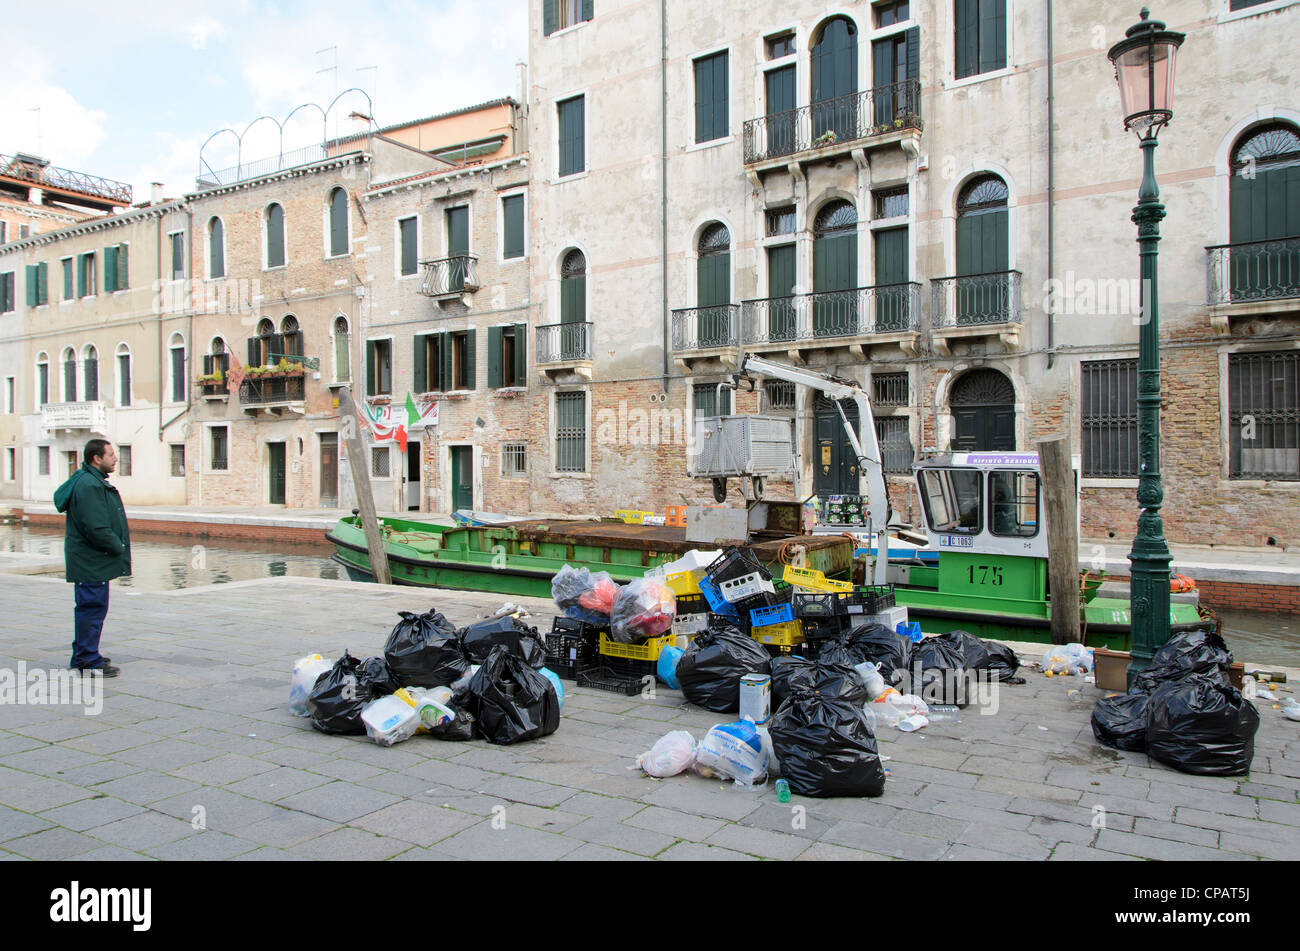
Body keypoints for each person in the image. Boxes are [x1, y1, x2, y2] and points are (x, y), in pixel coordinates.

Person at [53, 439, 131, 677]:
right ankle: (87, 659)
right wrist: (117, 545)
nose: (115, 459)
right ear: (97, 458)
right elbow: (95, 527)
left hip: (91, 560)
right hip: (91, 560)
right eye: (111, 455)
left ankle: (85, 654)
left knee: (91, 608)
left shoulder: (89, 480)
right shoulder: (89, 485)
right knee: (92, 608)